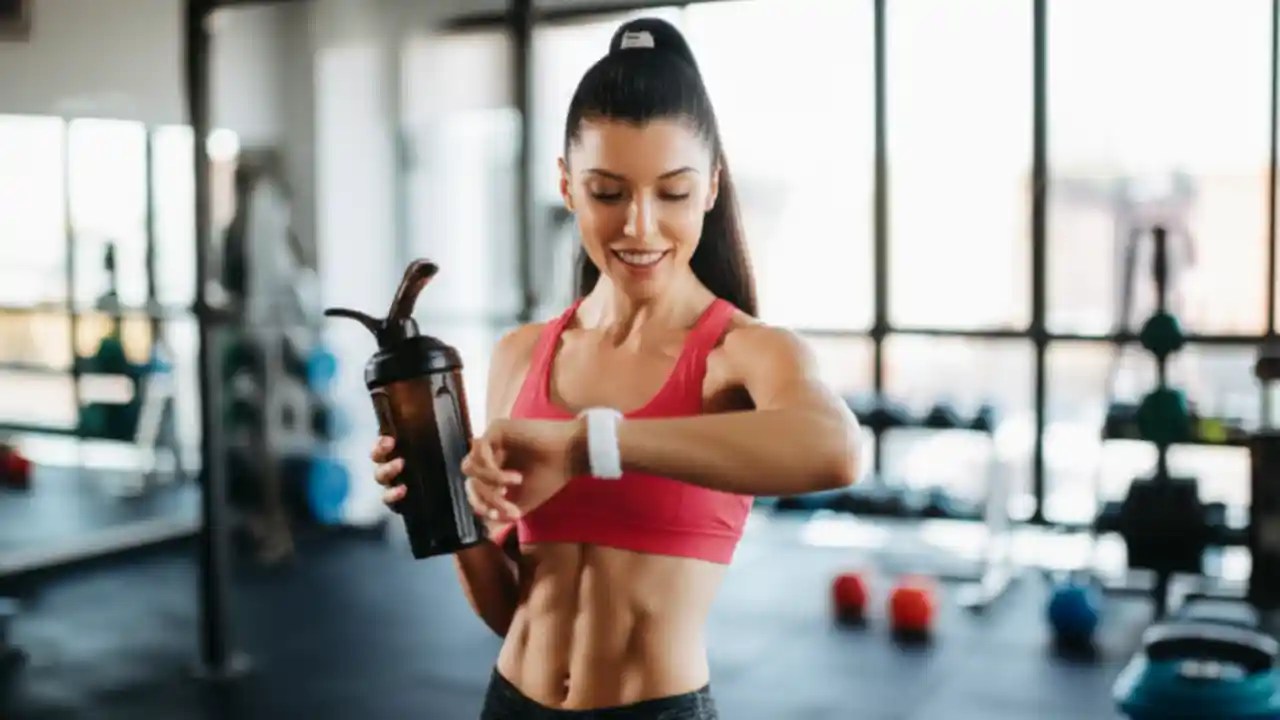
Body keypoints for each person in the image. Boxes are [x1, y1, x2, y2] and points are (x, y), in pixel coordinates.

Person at [371, 17, 861, 719]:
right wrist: (441, 500)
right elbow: (512, 609)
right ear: (567, 186)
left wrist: (582, 447)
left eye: (673, 192)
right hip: (511, 703)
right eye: (608, 192)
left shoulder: (742, 353)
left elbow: (837, 450)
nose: (639, 226)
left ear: (712, 188)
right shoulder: (522, 354)